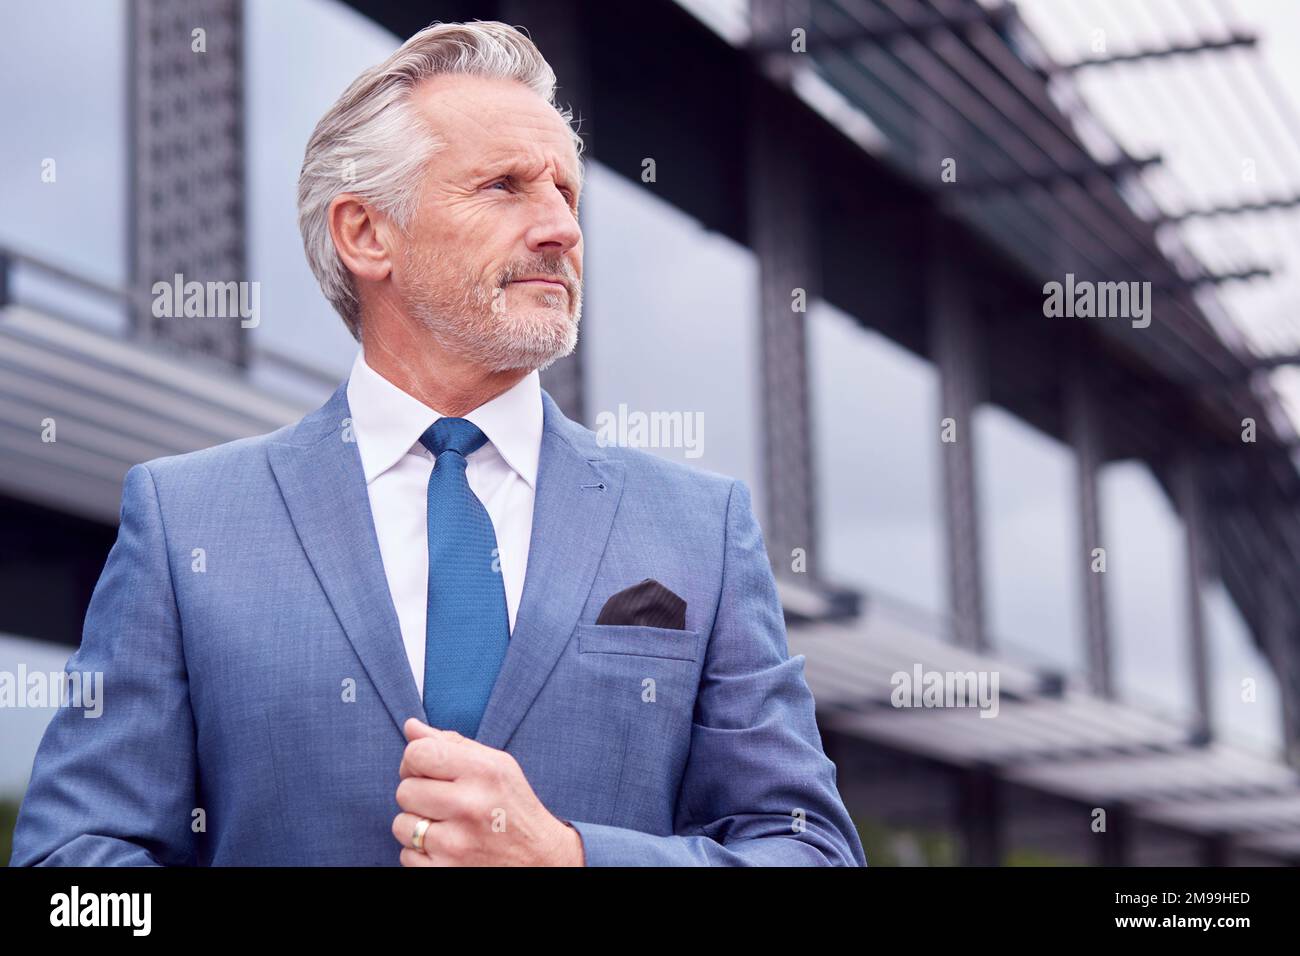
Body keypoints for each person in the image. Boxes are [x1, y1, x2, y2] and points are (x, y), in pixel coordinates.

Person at [11, 20, 865, 867]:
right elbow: (72, 872)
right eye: (503, 186)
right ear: (366, 234)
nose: (561, 229)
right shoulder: (187, 521)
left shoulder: (700, 528)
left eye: (566, 193)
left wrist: (572, 861)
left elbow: (811, 853)